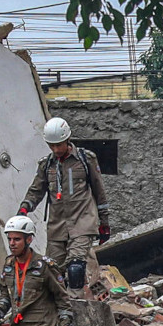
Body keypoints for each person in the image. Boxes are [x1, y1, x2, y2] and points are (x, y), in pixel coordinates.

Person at [18, 117, 110, 292]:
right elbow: (36, 190)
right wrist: (24, 209)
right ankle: (59, 313)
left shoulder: (85, 159)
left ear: (67, 140)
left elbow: (99, 191)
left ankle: (77, 308)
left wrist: (104, 223)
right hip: (57, 226)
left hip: (82, 222)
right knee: (51, 273)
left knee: (76, 268)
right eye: (51, 146)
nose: (56, 149)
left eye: (59, 145)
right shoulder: (47, 165)